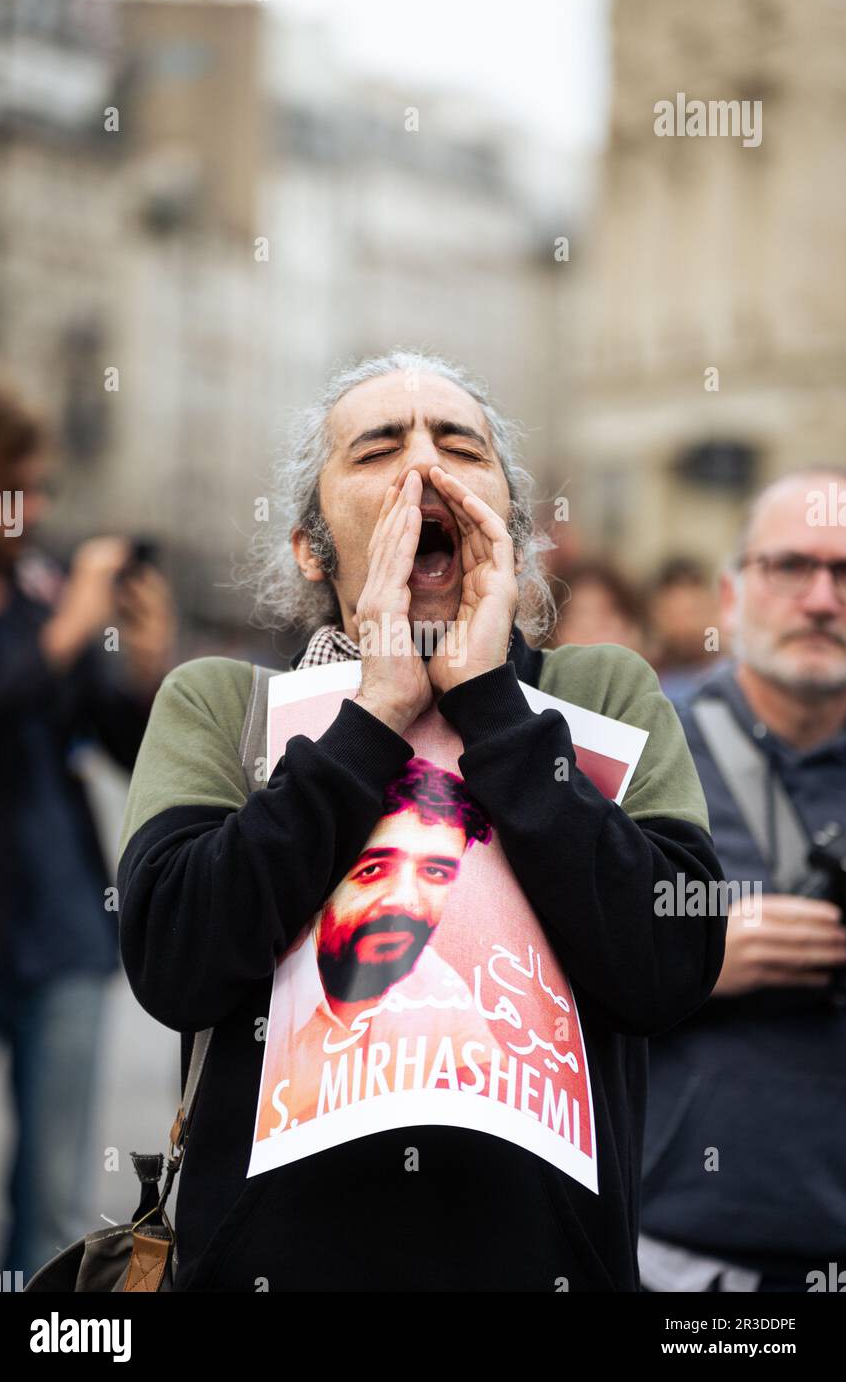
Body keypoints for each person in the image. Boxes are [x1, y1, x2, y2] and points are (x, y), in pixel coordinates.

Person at [117, 348, 726, 1292]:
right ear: (312, 548)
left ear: (508, 527)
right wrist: (372, 719)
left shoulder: (601, 691)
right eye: (376, 450)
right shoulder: (223, 706)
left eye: (459, 447)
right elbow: (176, 958)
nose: (423, 468)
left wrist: (491, 705)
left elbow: (669, 963)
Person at [0, 372, 176, 1280]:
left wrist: (140, 669)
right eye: (24, 483)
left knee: (53, 1194)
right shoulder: (50, 616)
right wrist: (66, 634)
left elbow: (129, 749)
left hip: (58, 932)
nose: (39, 507)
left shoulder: (42, 593)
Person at [640, 467, 846, 1293]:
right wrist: (686, 960)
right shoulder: (639, 753)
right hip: (688, 1259)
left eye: (844, 574)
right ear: (731, 593)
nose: (822, 599)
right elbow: (530, 977)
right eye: (789, 566)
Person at [257, 757, 501, 1132]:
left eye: (435, 872)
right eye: (373, 869)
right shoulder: (269, 991)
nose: (405, 901)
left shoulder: (439, 989)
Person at [646, 557, 722, 708]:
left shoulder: (730, 677)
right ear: (655, 614)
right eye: (674, 615)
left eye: (693, 612)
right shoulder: (645, 682)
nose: (686, 627)